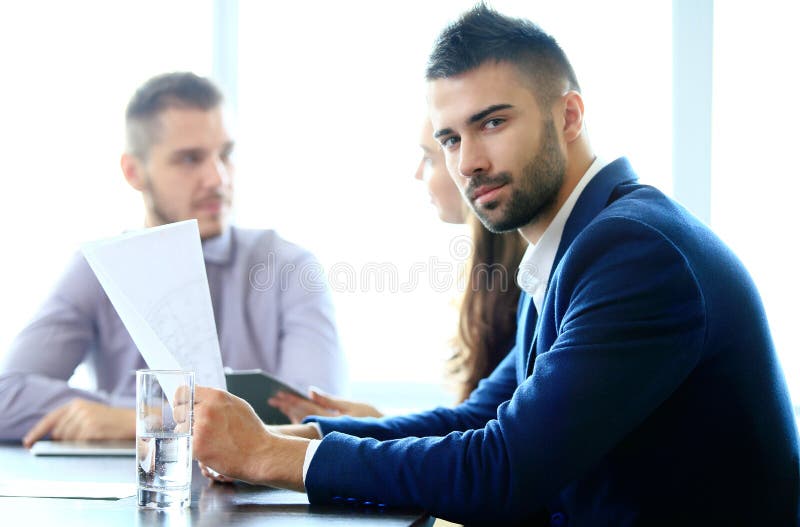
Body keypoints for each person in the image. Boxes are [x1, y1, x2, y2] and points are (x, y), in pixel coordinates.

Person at [187, 6, 799, 525]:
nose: (468, 162)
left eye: (493, 123)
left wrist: (268, 457)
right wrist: (295, 439)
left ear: (569, 115)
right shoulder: (575, 244)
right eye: (450, 138)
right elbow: (478, 418)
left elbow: (504, 470)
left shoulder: (635, 254)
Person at [0, 72, 346, 445]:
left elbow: (317, 417)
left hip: (254, 497)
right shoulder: (97, 270)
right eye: (189, 159)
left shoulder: (288, 268)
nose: (218, 179)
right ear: (134, 172)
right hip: (136, 493)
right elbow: (7, 397)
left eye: (225, 155)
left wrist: (143, 418)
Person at [268, 119, 526, 422]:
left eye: (430, 158)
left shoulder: (522, 292)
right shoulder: (487, 282)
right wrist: (378, 425)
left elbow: (483, 447)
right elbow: (470, 433)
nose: (418, 174)